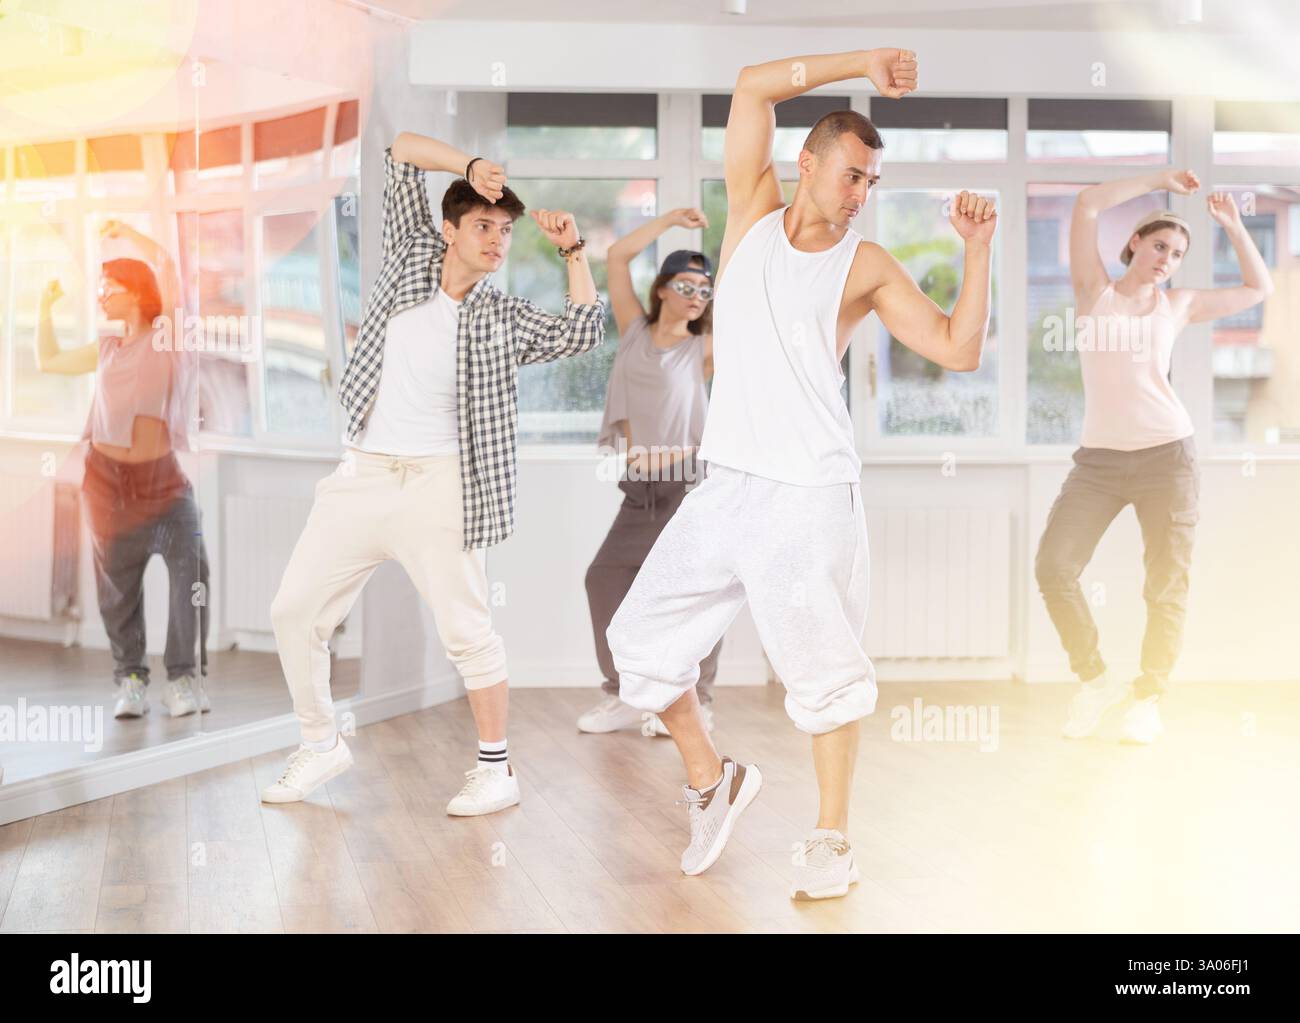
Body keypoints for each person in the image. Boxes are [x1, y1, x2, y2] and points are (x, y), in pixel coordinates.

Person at [607, 47, 997, 899]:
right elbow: (751, 84)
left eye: (873, 183)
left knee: (823, 677)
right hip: (726, 486)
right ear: (807, 163)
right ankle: (716, 782)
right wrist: (863, 62)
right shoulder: (748, 215)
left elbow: (958, 349)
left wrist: (976, 252)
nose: (861, 194)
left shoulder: (865, 265)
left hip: (810, 492)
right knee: (638, 643)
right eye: (852, 174)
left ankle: (831, 840)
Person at [261, 131, 605, 812]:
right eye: (483, 224)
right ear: (449, 229)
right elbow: (398, 151)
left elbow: (582, 330)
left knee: (468, 633)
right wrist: (468, 165)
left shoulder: (499, 315)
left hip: (438, 485)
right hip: (361, 474)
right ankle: (320, 742)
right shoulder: (411, 254)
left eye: (505, 230)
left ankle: (496, 769)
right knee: (293, 610)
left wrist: (571, 251)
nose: (497, 240)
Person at [1038, 170, 1272, 744]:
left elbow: (1256, 288)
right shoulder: (1094, 293)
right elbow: (1087, 202)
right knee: (1055, 567)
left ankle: (1148, 698)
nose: (1167, 258)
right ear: (1135, 245)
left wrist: (1236, 227)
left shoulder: (1181, 304)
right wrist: (1162, 179)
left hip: (1168, 458)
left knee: (1165, 585)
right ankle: (1095, 681)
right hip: (1098, 463)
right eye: (1160, 245)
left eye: (1178, 253)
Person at [36, 220, 209, 720]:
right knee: (117, 588)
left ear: (136, 292)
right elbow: (48, 360)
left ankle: (181, 680)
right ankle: (131, 679)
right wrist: (44, 309)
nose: (101, 297)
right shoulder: (107, 348)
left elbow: (174, 269)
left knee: (192, 571)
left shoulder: (164, 337)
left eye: (109, 287)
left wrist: (133, 233)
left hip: (163, 481)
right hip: (107, 481)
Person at [579, 209, 724, 738]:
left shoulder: (702, 348)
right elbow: (616, 257)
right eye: (686, 285)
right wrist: (669, 220)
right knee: (605, 580)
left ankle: (698, 700)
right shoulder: (634, 332)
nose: (695, 296)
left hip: (687, 486)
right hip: (639, 490)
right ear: (663, 289)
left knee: (695, 590)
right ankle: (624, 695)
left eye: (705, 291)